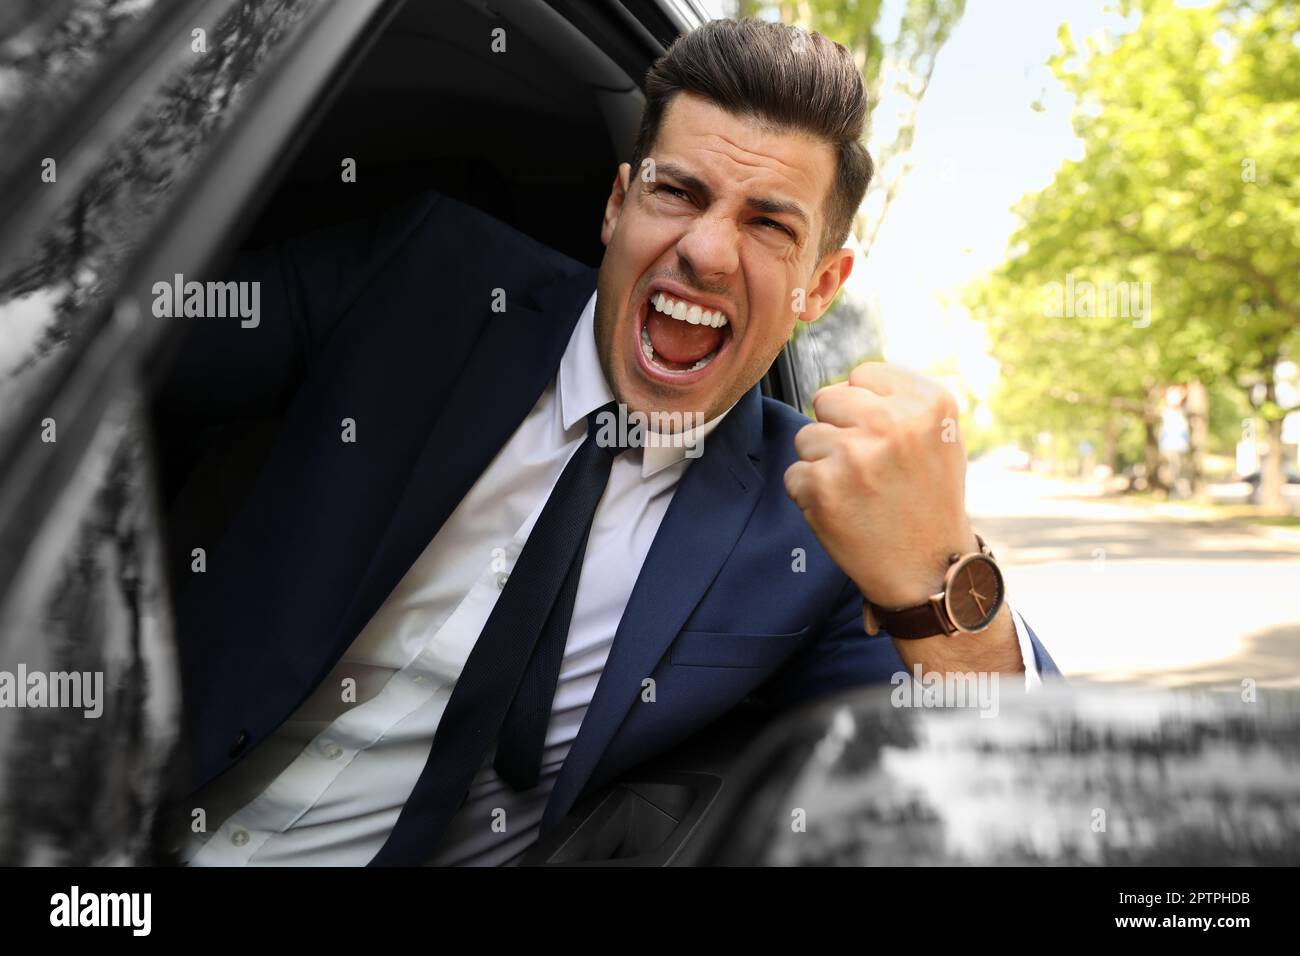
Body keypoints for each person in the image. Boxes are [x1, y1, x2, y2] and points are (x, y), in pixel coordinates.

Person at [157, 17, 1060, 867]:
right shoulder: (426, 273)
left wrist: (942, 576)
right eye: (678, 192)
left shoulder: (810, 531)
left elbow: (1016, 808)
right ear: (618, 205)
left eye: (768, 225)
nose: (706, 251)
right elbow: (105, 348)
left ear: (819, 287)